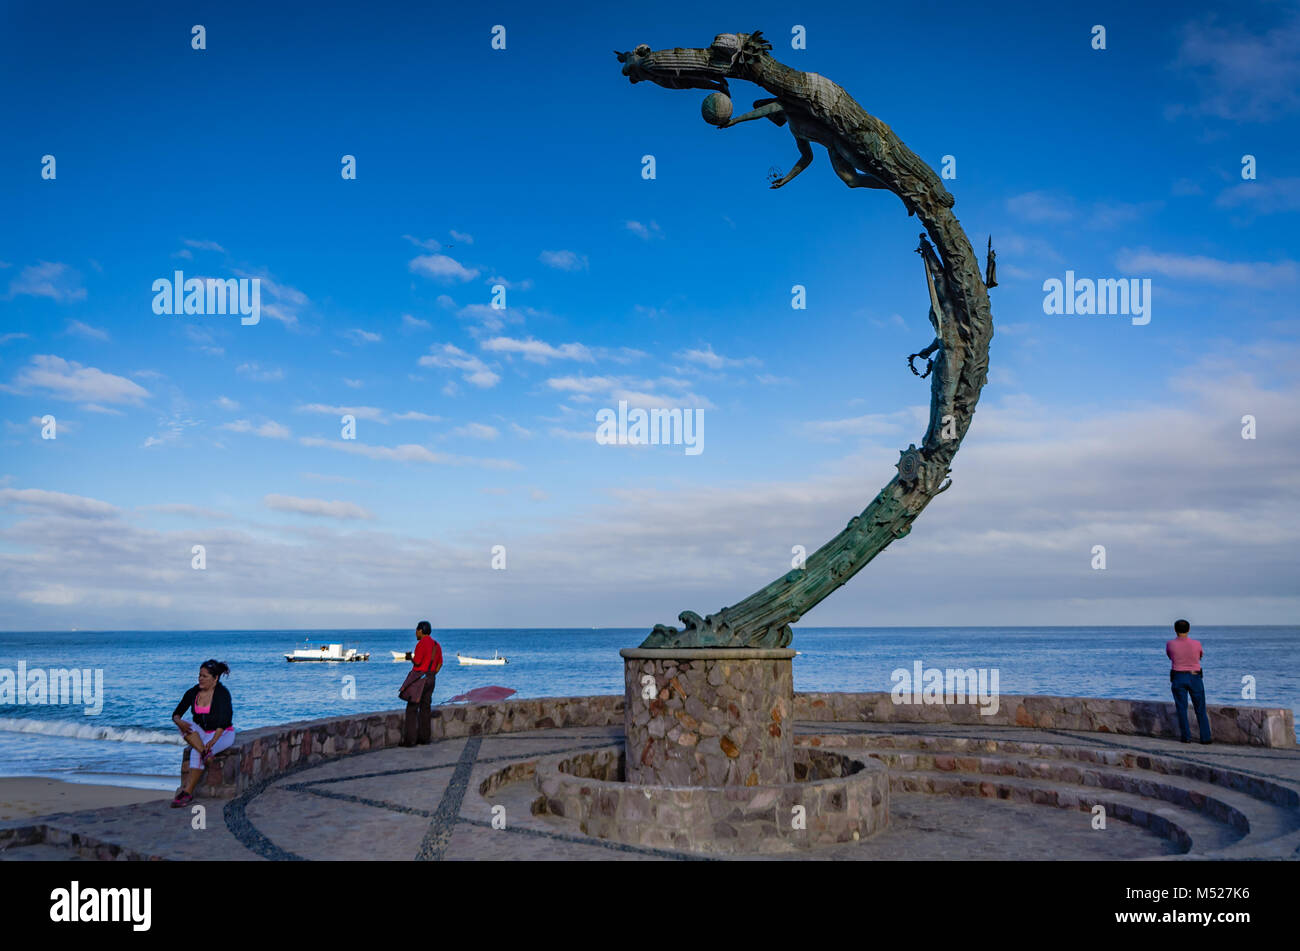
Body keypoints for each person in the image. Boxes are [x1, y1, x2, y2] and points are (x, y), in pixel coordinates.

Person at [170, 660, 235, 806]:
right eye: (199, 675)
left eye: (205, 676)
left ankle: (187, 793)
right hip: (203, 733)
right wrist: (178, 721)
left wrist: (214, 741)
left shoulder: (222, 694)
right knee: (184, 722)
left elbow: (225, 721)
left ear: (215, 678)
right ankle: (205, 753)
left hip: (223, 734)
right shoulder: (193, 692)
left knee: (195, 753)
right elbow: (176, 713)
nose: (200, 679)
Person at [1166, 619, 1211, 745]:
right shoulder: (1197, 643)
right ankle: (1205, 737)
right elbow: (1200, 656)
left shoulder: (1170, 644)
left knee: (1181, 708)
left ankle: (1186, 737)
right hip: (1195, 676)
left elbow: (1170, 656)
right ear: (1189, 629)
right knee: (1200, 708)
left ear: (1175, 630)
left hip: (1178, 677)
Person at [401, 621, 442, 747]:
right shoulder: (436, 644)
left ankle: (410, 741)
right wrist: (433, 674)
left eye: (416, 630)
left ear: (421, 630)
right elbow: (440, 663)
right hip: (431, 678)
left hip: (420, 680)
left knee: (412, 709)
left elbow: (418, 662)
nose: (415, 633)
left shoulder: (421, 644)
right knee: (425, 708)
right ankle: (424, 739)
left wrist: (410, 658)